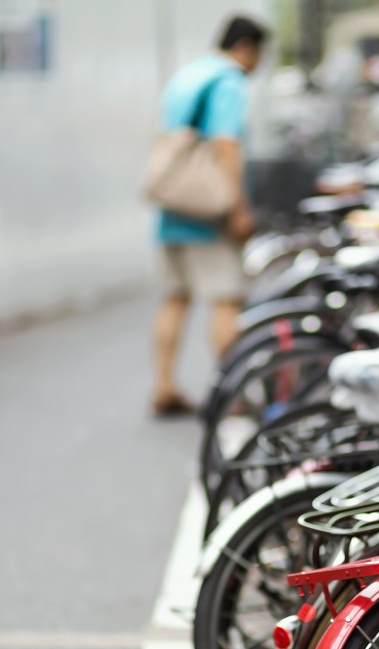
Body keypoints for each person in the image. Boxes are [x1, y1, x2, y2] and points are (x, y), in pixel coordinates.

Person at [150, 15, 267, 417]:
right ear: (248, 47)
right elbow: (226, 144)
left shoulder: (189, 75)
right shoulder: (229, 81)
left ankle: (163, 386)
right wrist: (239, 208)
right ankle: (234, 395)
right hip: (208, 210)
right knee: (226, 298)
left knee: (175, 298)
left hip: (174, 207)